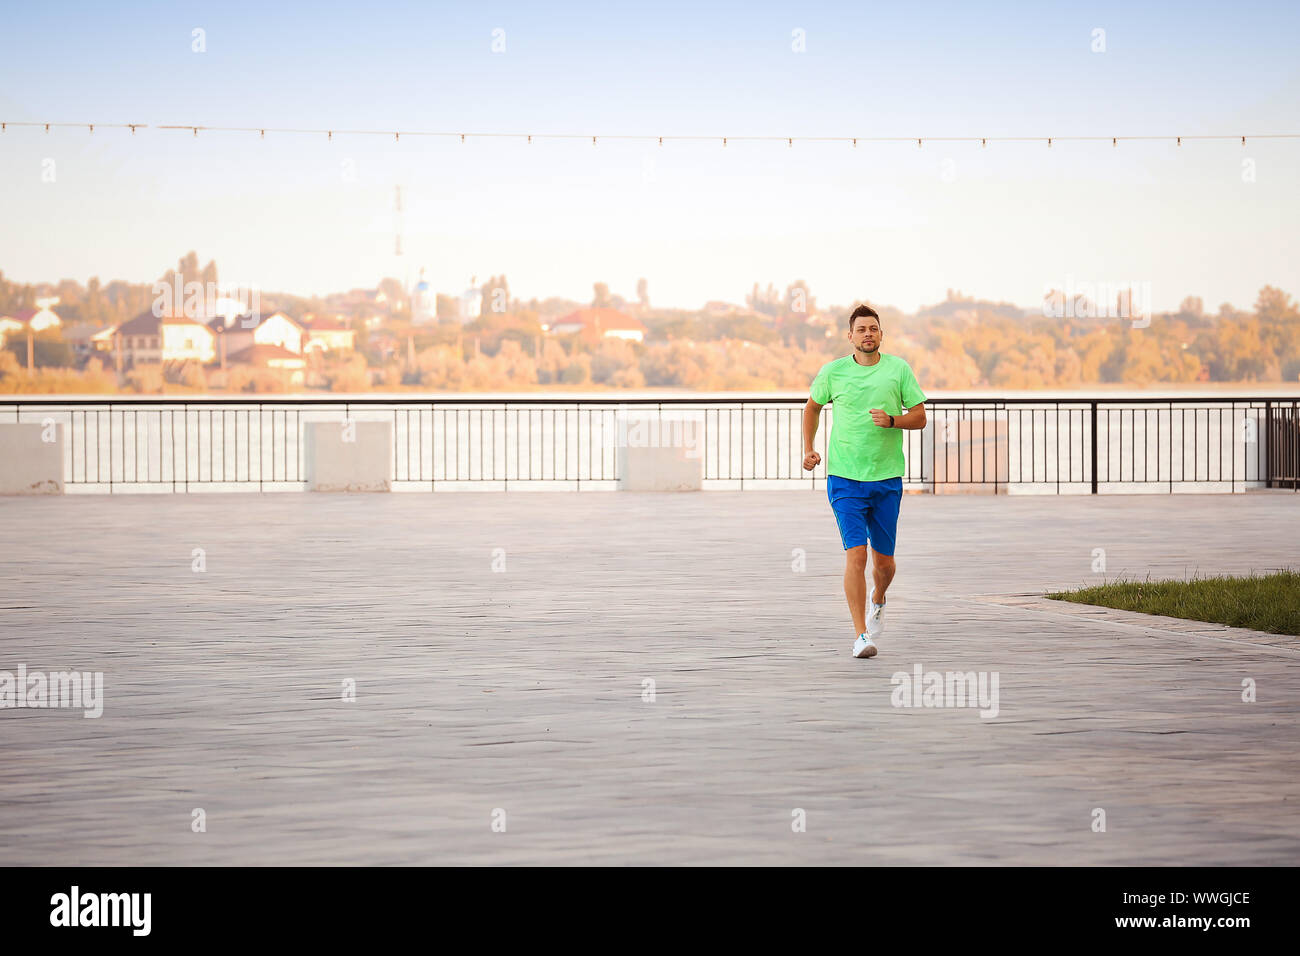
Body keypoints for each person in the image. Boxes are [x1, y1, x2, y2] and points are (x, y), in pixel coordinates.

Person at [802, 304, 927, 659]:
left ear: (881, 335)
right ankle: (860, 635)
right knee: (855, 555)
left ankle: (879, 597)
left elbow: (919, 418)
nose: (868, 334)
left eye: (873, 328)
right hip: (844, 479)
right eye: (861, 330)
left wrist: (892, 421)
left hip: (886, 478)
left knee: (884, 564)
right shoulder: (833, 372)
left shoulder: (898, 369)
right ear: (850, 336)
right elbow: (811, 407)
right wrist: (808, 449)